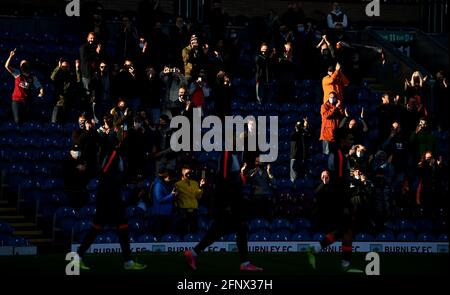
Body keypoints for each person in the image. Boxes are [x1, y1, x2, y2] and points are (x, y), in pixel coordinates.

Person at [184, 150, 263, 272]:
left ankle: (244, 263)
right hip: (228, 202)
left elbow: (236, 181)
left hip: (233, 201)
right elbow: (223, 178)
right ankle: (194, 252)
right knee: (223, 229)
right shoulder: (227, 154)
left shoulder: (236, 156)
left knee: (232, 229)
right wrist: (226, 203)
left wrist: (242, 174)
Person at [76, 135, 147, 271]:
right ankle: (127, 261)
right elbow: (104, 172)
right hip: (108, 197)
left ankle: (127, 261)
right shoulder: (113, 154)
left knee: (118, 228)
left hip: (111, 196)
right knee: (105, 228)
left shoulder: (114, 155)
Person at [307, 128, 364, 273]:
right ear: (342, 140)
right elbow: (338, 181)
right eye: (350, 139)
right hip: (339, 198)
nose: (352, 143)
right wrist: (345, 203)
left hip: (339, 197)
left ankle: (316, 249)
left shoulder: (339, 154)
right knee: (347, 231)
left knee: (342, 231)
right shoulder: (338, 156)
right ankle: (345, 265)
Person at [4, 49, 44, 123]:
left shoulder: (32, 77)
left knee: (26, 121)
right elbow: (7, 66)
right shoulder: (17, 73)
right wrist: (10, 56)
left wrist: (41, 93)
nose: (24, 65)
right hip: (16, 101)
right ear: (20, 66)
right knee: (17, 121)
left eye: (25, 64)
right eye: (22, 64)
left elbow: (40, 87)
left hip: (26, 101)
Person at [174, 165, 205, 235]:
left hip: (194, 209)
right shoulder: (178, 184)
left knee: (194, 229)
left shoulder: (195, 183)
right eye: (187, 172)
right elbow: (176, 197)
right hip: (183, 210)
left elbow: (198, 196)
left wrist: (201, 187)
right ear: (182, 173)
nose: (189, 174)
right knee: (183, 229)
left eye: (189, 172)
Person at [50, 58, 82, 123]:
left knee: (65, 124)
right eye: (63, 66)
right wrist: (58, 67)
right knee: (54, 122)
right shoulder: (58, 76)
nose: (65, 68)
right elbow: (52, 78)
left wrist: (77, 69)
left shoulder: (70, 77)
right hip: (58, 103)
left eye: (66, 67)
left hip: (68, 104)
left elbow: (78, 81)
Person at [150, 168, 177, 236]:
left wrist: (173, 195)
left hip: (166, 214)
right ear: (167, 177)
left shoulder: (166, 184)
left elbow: (169, 196)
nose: (171, 180)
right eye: (170, 178)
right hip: (160, 215)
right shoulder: (158, 185)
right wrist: (171, 195)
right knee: (160, 235)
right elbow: (159, 199)